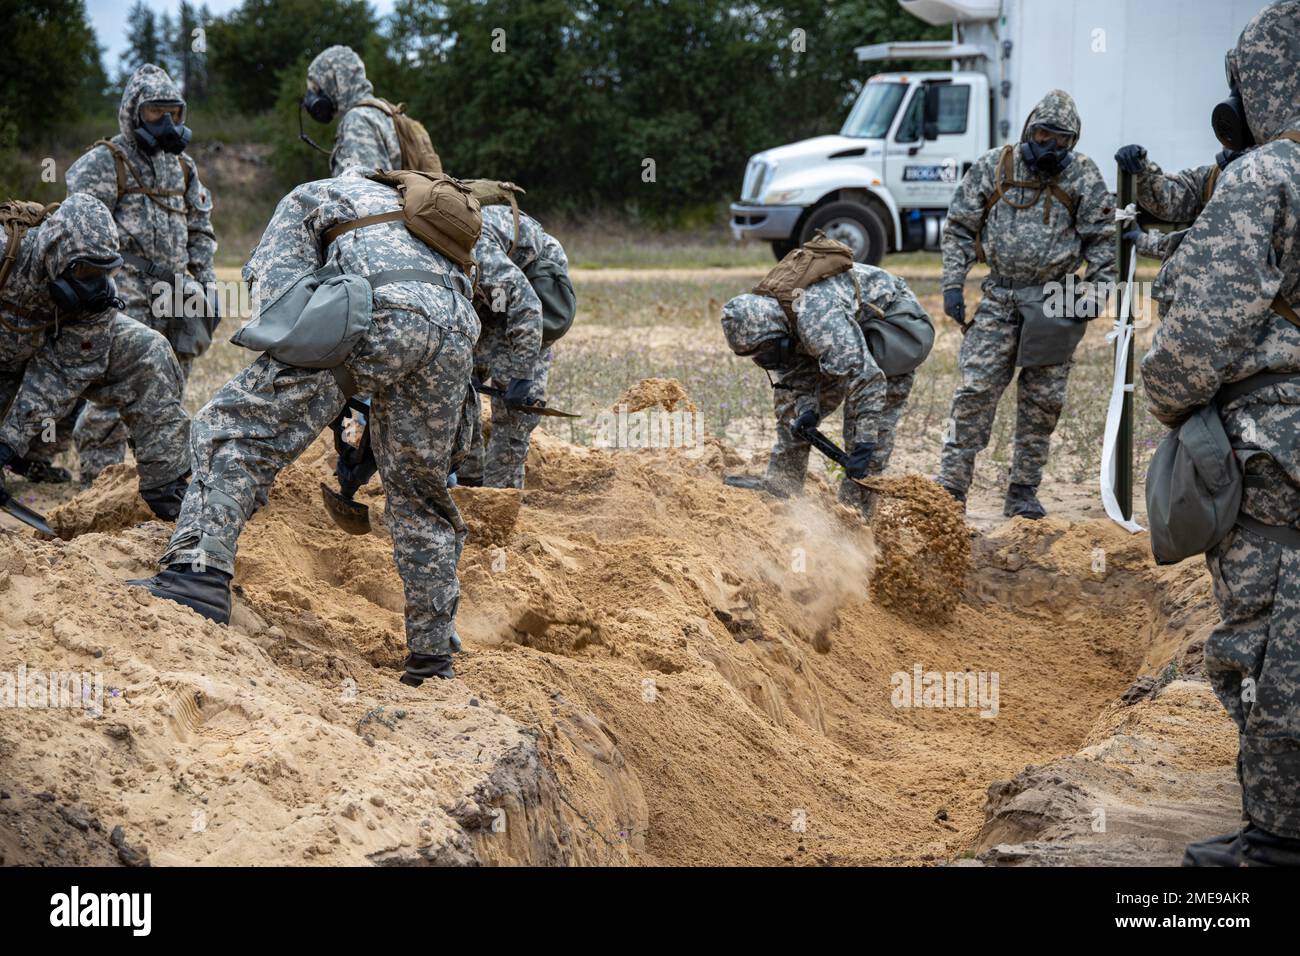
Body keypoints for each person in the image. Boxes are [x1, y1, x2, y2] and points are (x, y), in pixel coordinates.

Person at [130, 169, 480, 687]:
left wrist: (319, 382)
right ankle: (431, 658)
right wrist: (352, 391)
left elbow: (278, 297)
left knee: (233, 428)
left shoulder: (311, 194)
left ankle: (196, 578)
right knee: (419, 495)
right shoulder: (421, 208)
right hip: (455, 327)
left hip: (379, 311)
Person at [1141, 0, 1300, 866]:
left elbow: (1194, 339)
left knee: (1273, 636)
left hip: (1281, 448)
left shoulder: (1271, 174)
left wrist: (1167, 400)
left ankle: (1279, 839)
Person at [936, 90, 1116, 519]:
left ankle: (1022, 492)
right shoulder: (996, 166)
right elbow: (960, 226)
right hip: (1000, 295)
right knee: (974, 392)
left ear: (1073, 142)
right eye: (1042, 135)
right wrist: (953, 285)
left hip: (1056, 297)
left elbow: (1104, 245)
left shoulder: (1083, 177)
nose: (1049, 146)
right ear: (1028, 129)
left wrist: (1091, 298)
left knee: (1042, 402)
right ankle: (951, 489)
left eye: (1061, 140)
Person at [64, 63, 218, 484]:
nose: (166, 122)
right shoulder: (103, 163)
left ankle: (155, 475)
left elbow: (200, 227)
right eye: (155, 112)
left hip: (178, 292)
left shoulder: (183, 167)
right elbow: (76, 232)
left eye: (174, 111)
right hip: (124, 291)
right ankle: (100, 480)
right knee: (115, 388)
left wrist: (205, 283)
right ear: (134, 111)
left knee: (169, 386)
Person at [0, 194, 190, 516]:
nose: (98, 286)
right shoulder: (6, 253)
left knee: (148, 351)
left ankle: (165, 486)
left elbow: (63, 374)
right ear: (55, 253)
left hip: (49, 355)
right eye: (86, 272)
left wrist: (7, 443)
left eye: (107, 272)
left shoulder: (99, 299)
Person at [721, 259, 931, 515]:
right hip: (842, 333)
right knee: (792, 411)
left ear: (777, 333)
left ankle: (855, 516)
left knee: (865, 440)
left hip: (891, 324)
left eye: (764, 353)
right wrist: (807, 409)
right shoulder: (779, 319)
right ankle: (782, 486)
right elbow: (794, 370)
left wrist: (864, 444)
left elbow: (868, 380)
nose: (763, 361)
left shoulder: (815, 318)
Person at [458, 203, 572, 488]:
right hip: (484, 296)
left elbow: (528, 307)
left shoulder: (479, 253)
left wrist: (522, 374)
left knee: (515, 407)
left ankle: (501, 495)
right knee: (459, 381)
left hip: (532, 281)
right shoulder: (421, 258)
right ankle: (469, 477)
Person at [301, 45, 440, 177]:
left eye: (317, 88)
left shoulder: (357, 120)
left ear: (333, 81)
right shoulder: (391, 113)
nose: (315, 97)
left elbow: (362, 196)